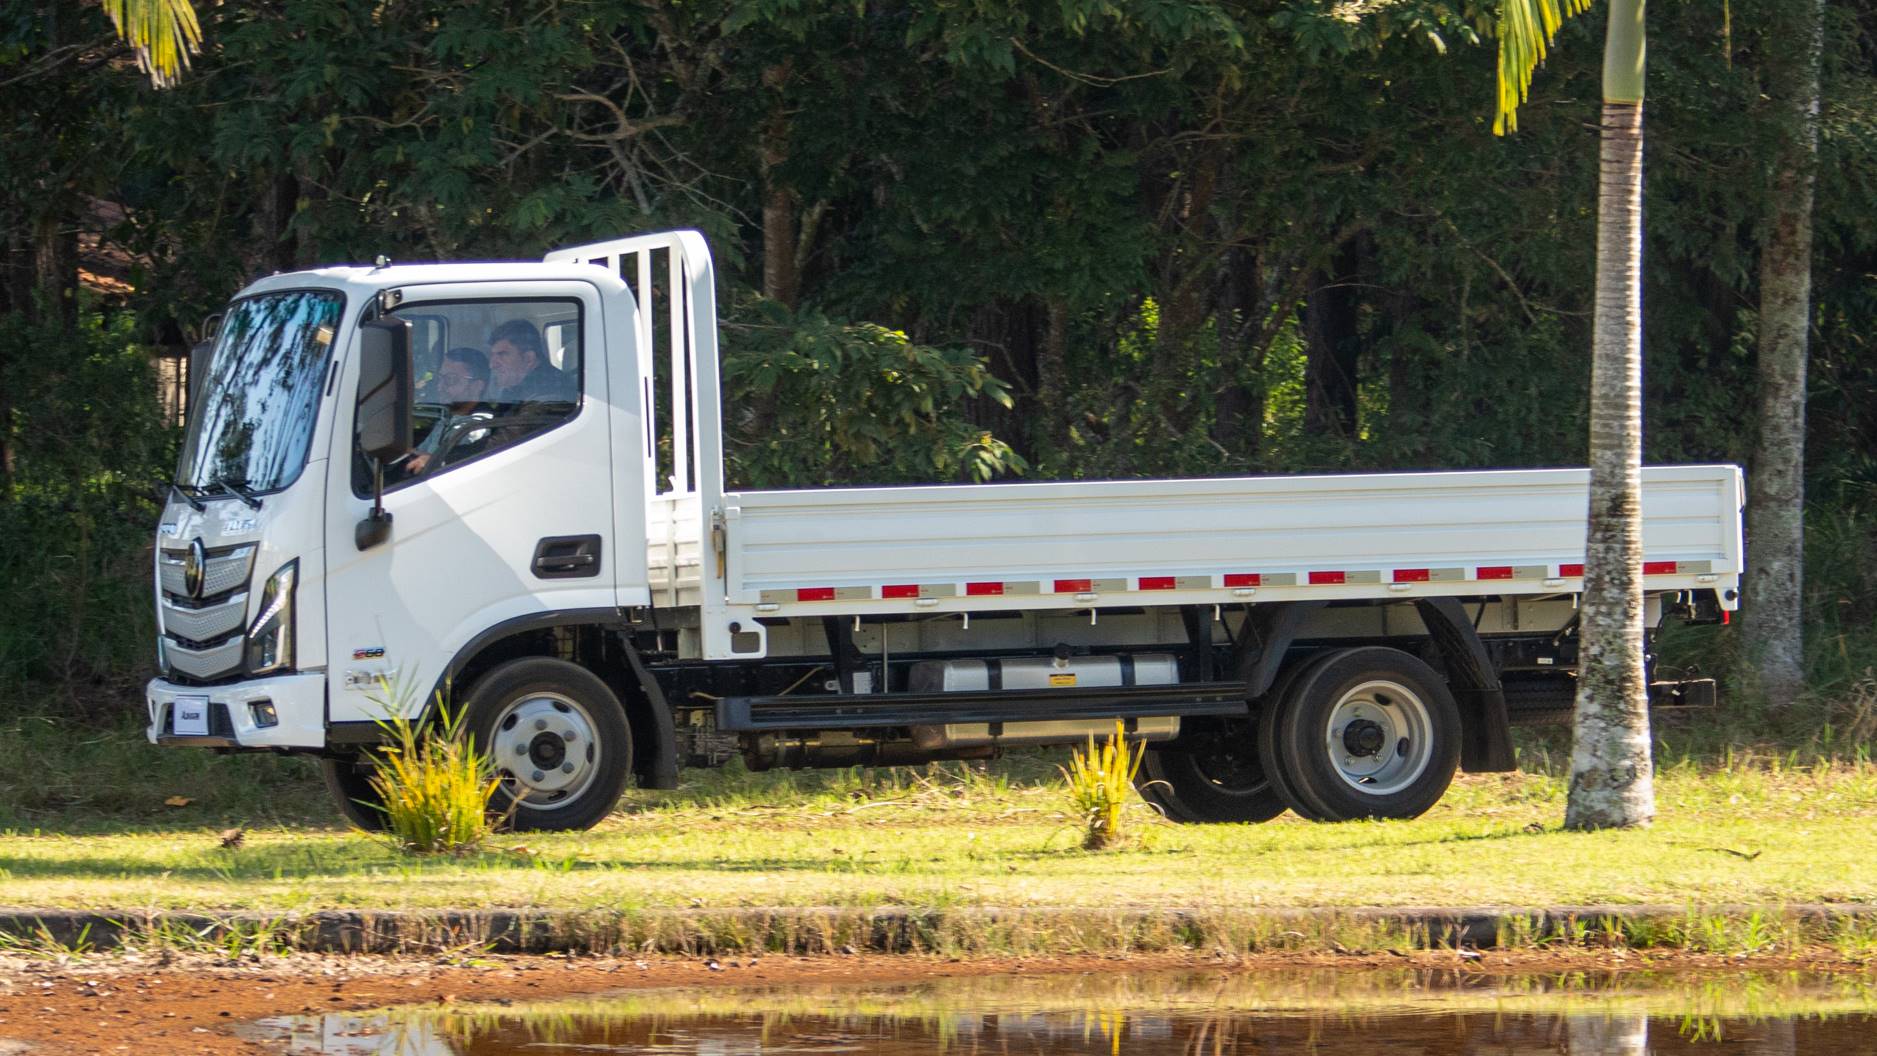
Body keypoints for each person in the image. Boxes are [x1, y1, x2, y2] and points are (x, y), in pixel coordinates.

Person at [405, 347, 493, 475]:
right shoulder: (448, 417)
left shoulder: (476, 427)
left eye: (451, 379)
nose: (440, 386)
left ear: (477, 386)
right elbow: (420, 453)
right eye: (440, 378)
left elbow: (448, 467)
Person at [486, 319, 574, 404]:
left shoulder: (550, 393)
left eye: (502, 355)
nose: (492, 365)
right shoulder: (514, 390)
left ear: (529, 358)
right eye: (492, 356)